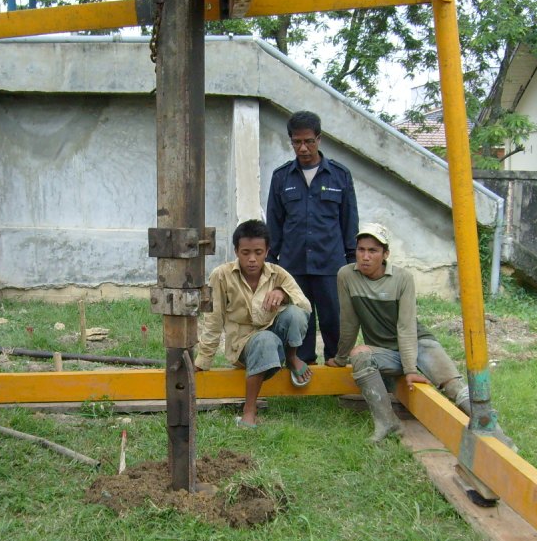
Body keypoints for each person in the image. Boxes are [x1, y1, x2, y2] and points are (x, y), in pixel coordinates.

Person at [326, 223, 479, 442]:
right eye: (361, 250)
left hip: (419, 344)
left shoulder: (402, 278)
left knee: (452, 386)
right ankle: (387, 423)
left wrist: (410, 369)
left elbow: (406, 327)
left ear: (385, 254)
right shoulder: (346, 275)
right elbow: (349, 322)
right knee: (359, 354)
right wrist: (341, 358)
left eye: (373, 251)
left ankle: (493, 432)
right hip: (388, 352)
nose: (365, 257)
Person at [195, 219, 313, 429]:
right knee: (264, 340)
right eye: (245, 252)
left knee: (295, 314)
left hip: (274, 337)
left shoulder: (278, 274)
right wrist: (203, 361)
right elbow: (213, 319)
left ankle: (292, 357)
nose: (252, 259)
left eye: (258, 252)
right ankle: (249, 410)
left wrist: (283, 293)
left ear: (267, 251)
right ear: (236, 251)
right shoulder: (221, 276)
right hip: (243, 345)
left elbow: (305, 305)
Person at [266, 110, 359, 367]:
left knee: (334, 319)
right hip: (294, 265)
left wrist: (353, 263)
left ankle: (337, 364)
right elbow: (274, 225)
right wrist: (271, 265)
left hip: (331, 265)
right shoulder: (281, 177)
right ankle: (303, 365)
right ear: (291, 141)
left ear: (319, 139)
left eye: (308, 141)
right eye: (297, 142)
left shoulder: (340, 176)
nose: (303, 147)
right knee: (300, 318)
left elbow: (349, 222)